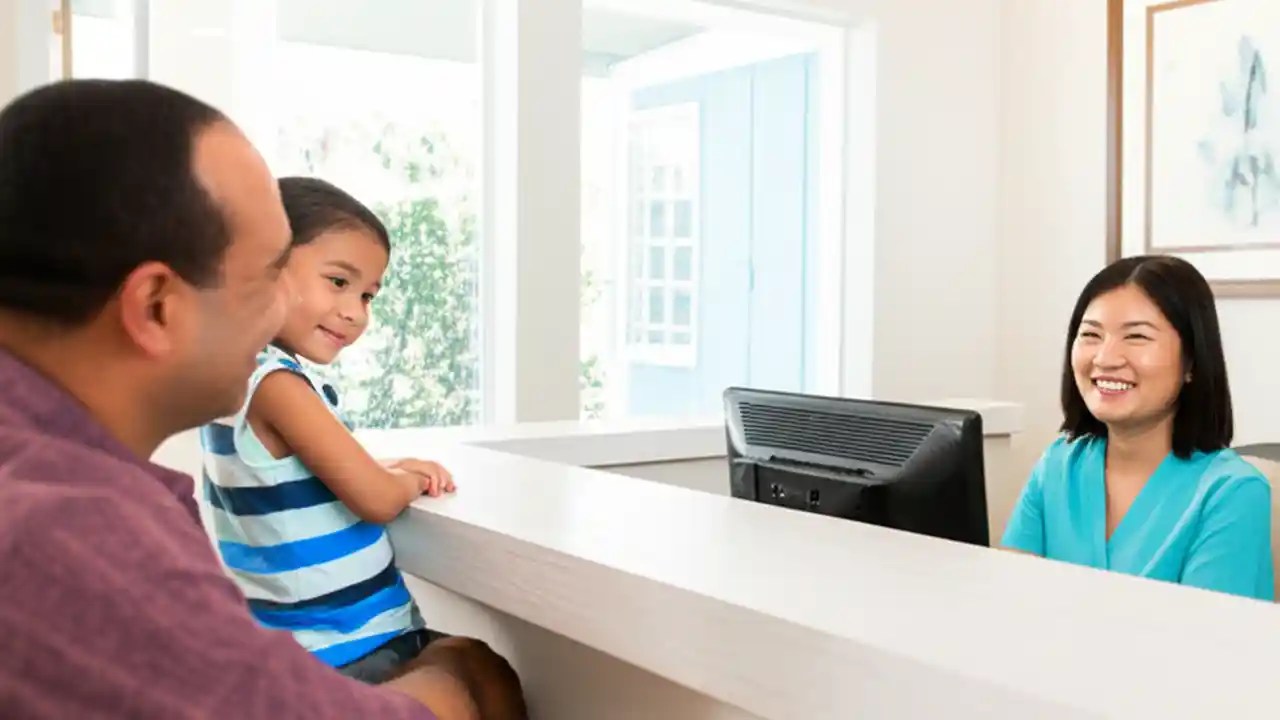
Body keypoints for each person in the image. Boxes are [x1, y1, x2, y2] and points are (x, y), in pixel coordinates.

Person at [0, 79, 526, 719]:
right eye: (265, 277)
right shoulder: (69, 538)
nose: (285, 310)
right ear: (157, 306)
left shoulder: (58, 485)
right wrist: (457, 677)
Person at [202, 176, 456, 683]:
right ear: (263, 265)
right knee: (481, 673)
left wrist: (385, 466)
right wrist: (410, 480)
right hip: (346, 645)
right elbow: (377, 499)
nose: (355, 313)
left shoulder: (235, 373)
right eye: (339, 282)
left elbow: (297, 472)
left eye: (368, 296)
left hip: (303, 646)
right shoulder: (275, 382)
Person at [1002, 255, 1273, 601]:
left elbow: (1203, 633)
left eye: (1136, 337)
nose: (1105, 358)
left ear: (1192, 360)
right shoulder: (1057, 464)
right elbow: (1010, 601)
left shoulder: (1232, 492)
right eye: (1091, 335)